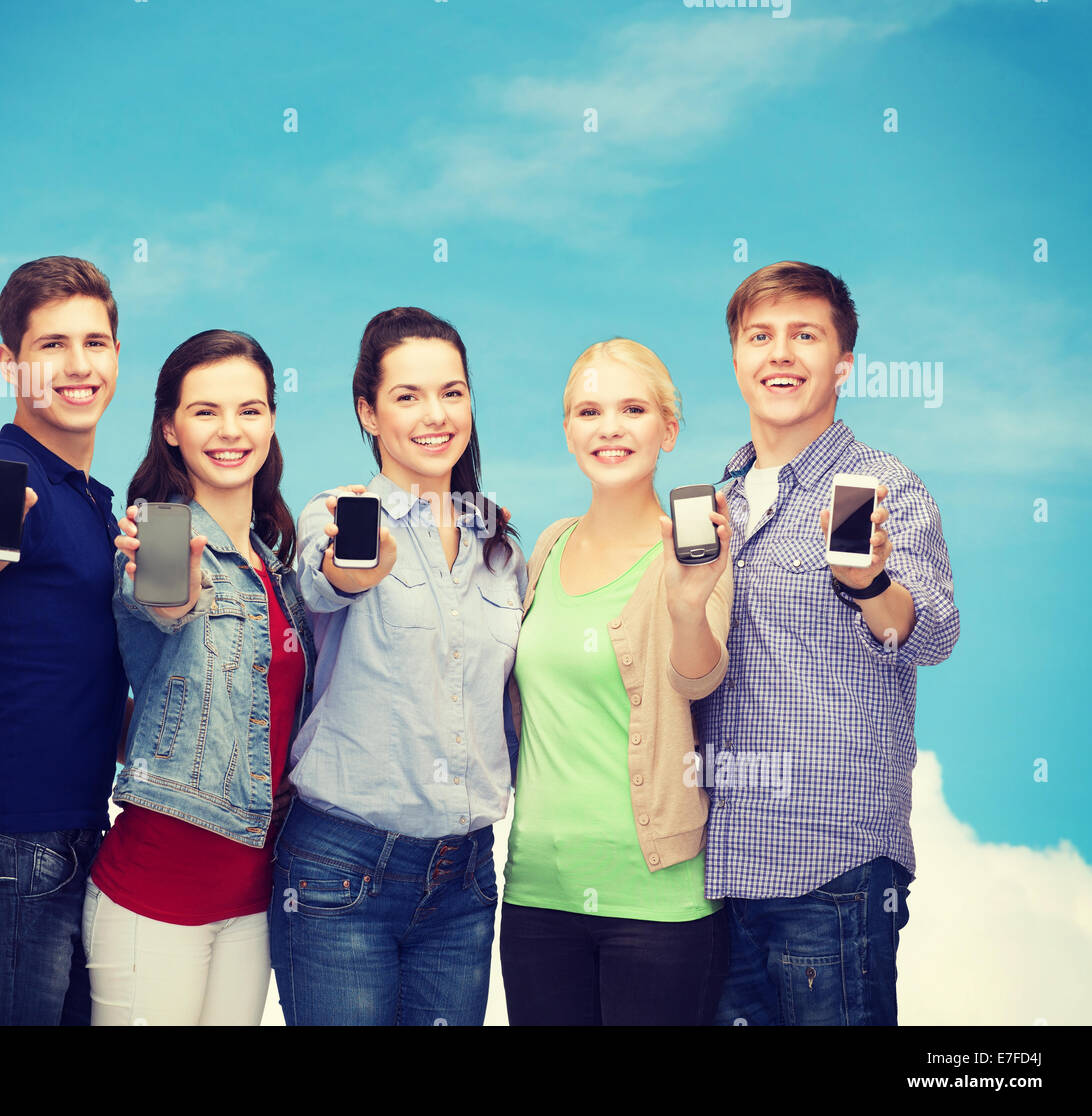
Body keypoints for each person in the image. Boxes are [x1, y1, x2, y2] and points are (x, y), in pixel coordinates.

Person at [699, 260, 961, 1026]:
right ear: (738, 358)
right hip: (717, 874)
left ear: (843, 363)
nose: (780, 354)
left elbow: (935, 631)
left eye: (804, 336)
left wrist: (870, 583)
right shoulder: (714, 502)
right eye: (761, 336)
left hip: (833, 869)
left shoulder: (881, 486)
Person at [270, 306, 526, 1026]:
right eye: (407, 396)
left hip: (466, 879)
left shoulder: (500, 548)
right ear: (369, 412)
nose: (434, 414)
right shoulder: (339, 513)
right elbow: (326, 578)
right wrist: (360, 567)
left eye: (452, 392)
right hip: (341, 870)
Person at [81, 329, 316, 1026]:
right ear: (170, 427)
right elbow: (165, 600)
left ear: (271, 421)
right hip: (156, 893)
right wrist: (173, 586)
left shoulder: (277, 563)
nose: (230, 430)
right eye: (205, 411)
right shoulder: (158, 533)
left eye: (249, 410)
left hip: (250, 899)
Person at [0, 256, 128, 1026]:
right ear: (10, 363)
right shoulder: (0, 472)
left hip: (71, 839)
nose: (79, 366)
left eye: (96, 343)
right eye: (52, 346)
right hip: (3, 845)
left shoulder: (98, 503)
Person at [500, 338, 733, 1026]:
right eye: (589, 410)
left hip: (656, 903)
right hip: (539, 893)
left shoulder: (698, 552)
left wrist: (688, 602)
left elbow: (701, 678)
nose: (609, 427)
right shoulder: (546, 546)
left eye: (633, 408)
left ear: (669, 429)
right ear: (568, 430)